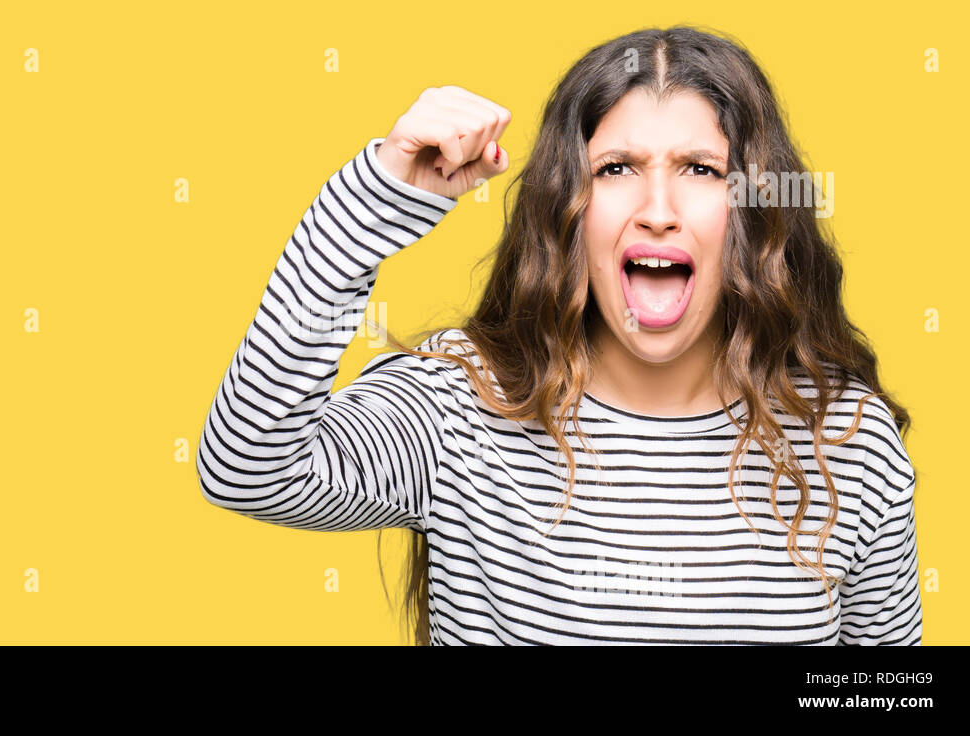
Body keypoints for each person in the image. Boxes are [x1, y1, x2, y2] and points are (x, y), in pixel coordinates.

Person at [196, 25, 921, 645]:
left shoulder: (845, 442)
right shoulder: (463, 407)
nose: (658, 211)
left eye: (701, 169)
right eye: (616, 169)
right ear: (567, 209)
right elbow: (246, 467)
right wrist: (374, 203)